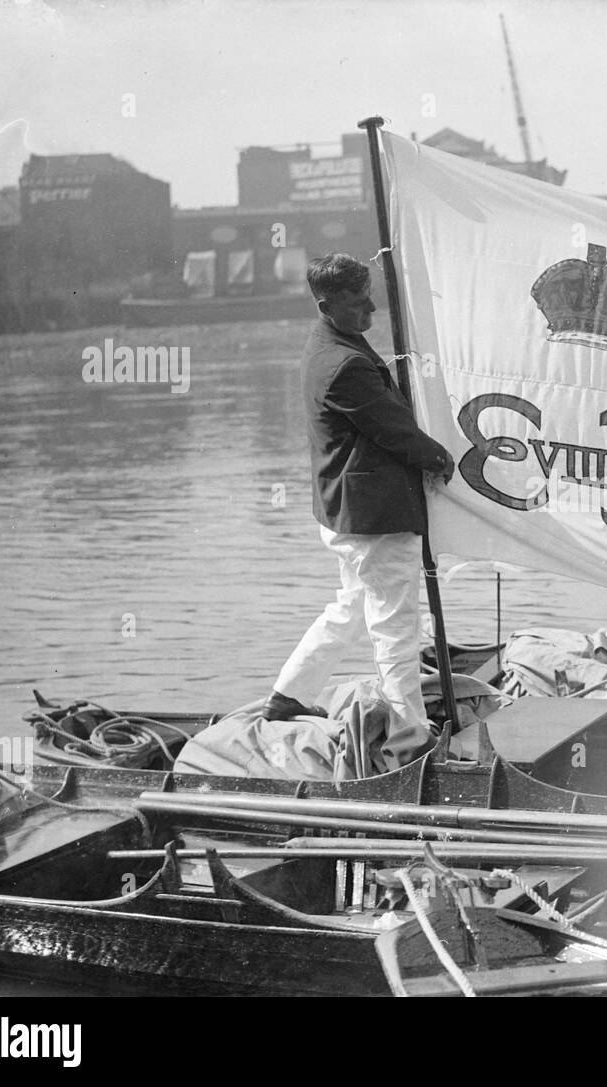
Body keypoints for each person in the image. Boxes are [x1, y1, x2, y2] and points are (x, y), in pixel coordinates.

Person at [263, 253, 454, 768]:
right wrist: (438, 457)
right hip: (374, 517)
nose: (371, 306)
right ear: (327, 305)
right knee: (395, 623)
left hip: (347, 513)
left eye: (369, 294)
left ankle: (289, 694)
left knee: (351, 607)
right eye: (357, 301)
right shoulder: (344, 363)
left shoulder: (328, 344)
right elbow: (392, 428)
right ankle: (411, 735)